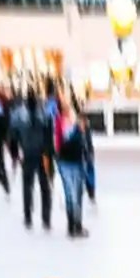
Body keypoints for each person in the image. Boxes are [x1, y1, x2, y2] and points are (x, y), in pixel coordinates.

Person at [9, 91, 55, 229]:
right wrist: (50, 155)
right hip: (42, 154)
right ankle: (46, 219)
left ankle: (28, 217)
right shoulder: (45, 113)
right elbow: (49, 137)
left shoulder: (17, 115)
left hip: (28, 154)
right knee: (45, 187)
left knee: (27, 186)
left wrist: (15, 154)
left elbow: (13, 137)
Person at [55, 95, 93, 238]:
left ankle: (74, 225)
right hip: (70, 163)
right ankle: (74, 225)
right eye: (66, 107)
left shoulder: (72, 123)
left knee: (74, 194)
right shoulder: (66, 125)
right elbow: (61, 143)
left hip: (73, 162)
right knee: (73, 195)